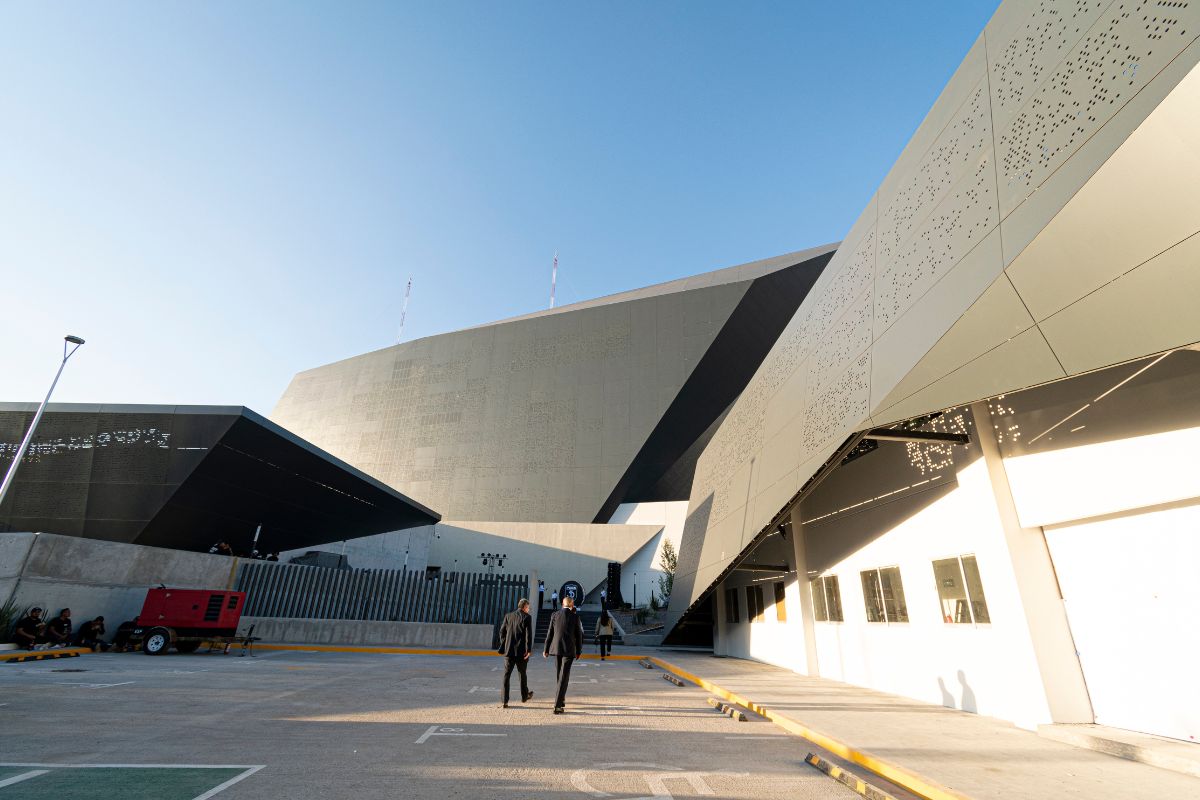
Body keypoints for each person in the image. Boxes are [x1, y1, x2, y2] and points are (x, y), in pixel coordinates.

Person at [543, 595, 583, 714]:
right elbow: (579, 636)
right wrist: (579, 651)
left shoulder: (554, 615)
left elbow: (550, 633)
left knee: (559, 675)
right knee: (564, 676)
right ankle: (557, 705)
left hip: (556, 649)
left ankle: (561, 698)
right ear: (572, 605)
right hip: (569, 650)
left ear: (562, 604)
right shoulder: (575, 617)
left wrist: (546, 648)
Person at [496, 598, 534, 708]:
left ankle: (505, 701)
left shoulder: (508, 616)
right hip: (522, 652)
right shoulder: (527, 617)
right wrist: (529, 650)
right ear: (525, 607)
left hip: (509, 652)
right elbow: (529, 635)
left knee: (506, 675)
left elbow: (502, 632)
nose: (529, 609)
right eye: (528, 607)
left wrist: (505, 643)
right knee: (522, 674)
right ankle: (524, 697)